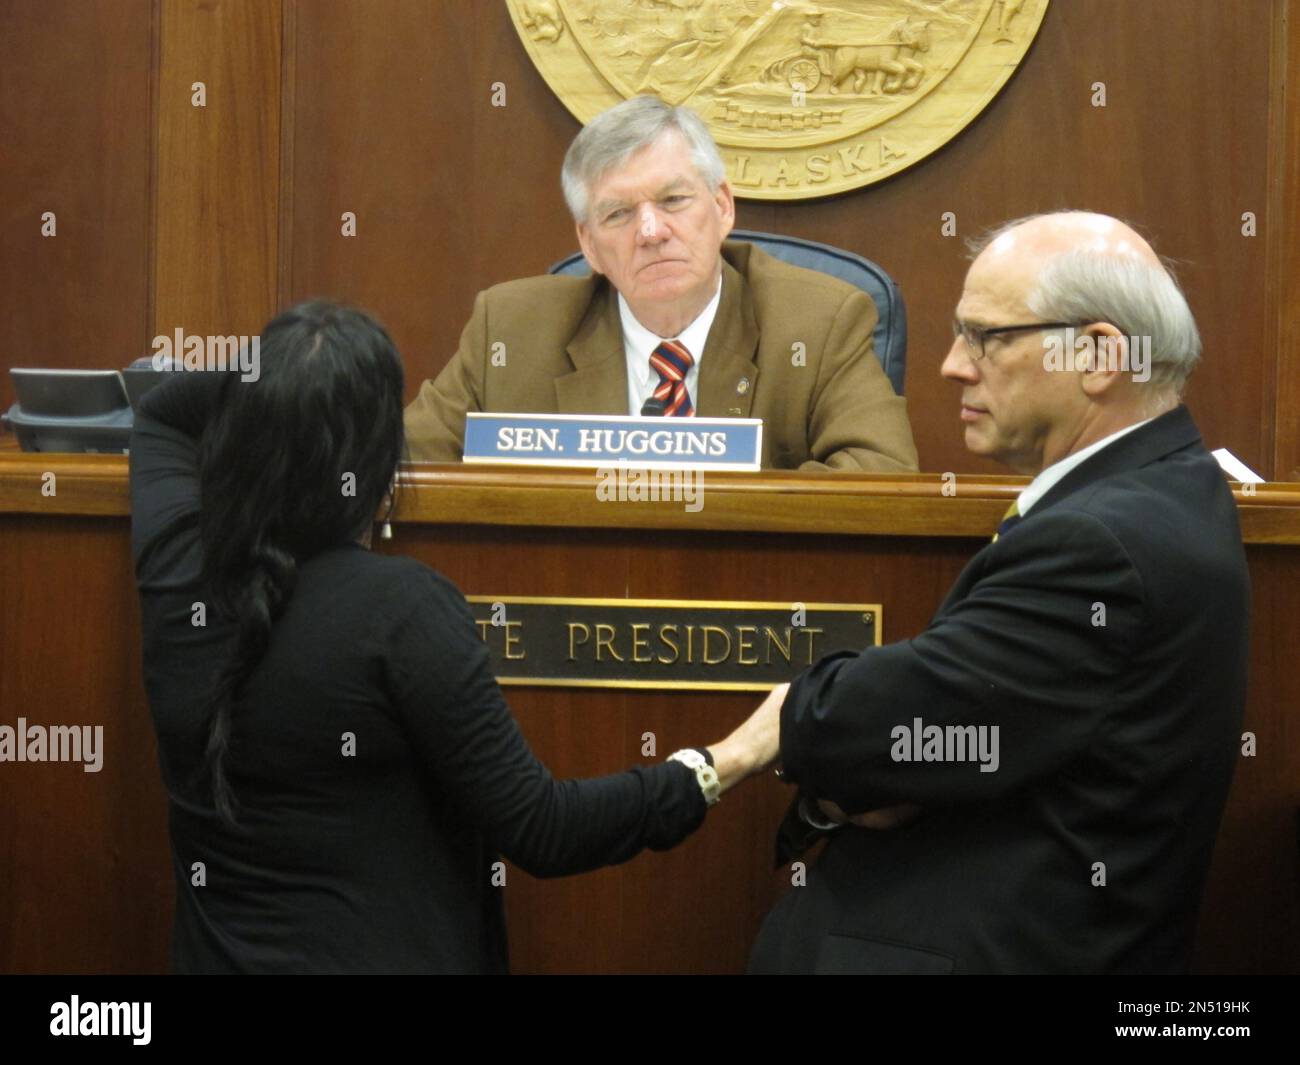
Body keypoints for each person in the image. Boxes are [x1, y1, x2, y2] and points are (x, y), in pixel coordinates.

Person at [128, 300, 783, 974]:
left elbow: (161, 412)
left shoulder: (179, 577)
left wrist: (284, 378)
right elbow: (545, 829)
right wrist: (735, 754)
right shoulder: (401, 611)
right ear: (379, 467)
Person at [750, 211, 1250, 974]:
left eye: (987, 337)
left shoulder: (1100, 544)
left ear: (1100, 355)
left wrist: (805, 723)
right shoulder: (1162, 485)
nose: (953, 364)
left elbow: (850, 724)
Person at [403, 96, 918, 472]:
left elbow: (884, 475)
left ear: (722, 207)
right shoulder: (511, 333)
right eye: (619, 214)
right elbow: (400, 467)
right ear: (588, 245)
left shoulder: (820, 323)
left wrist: (717, 512)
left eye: (673, 201)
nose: (650, 232)